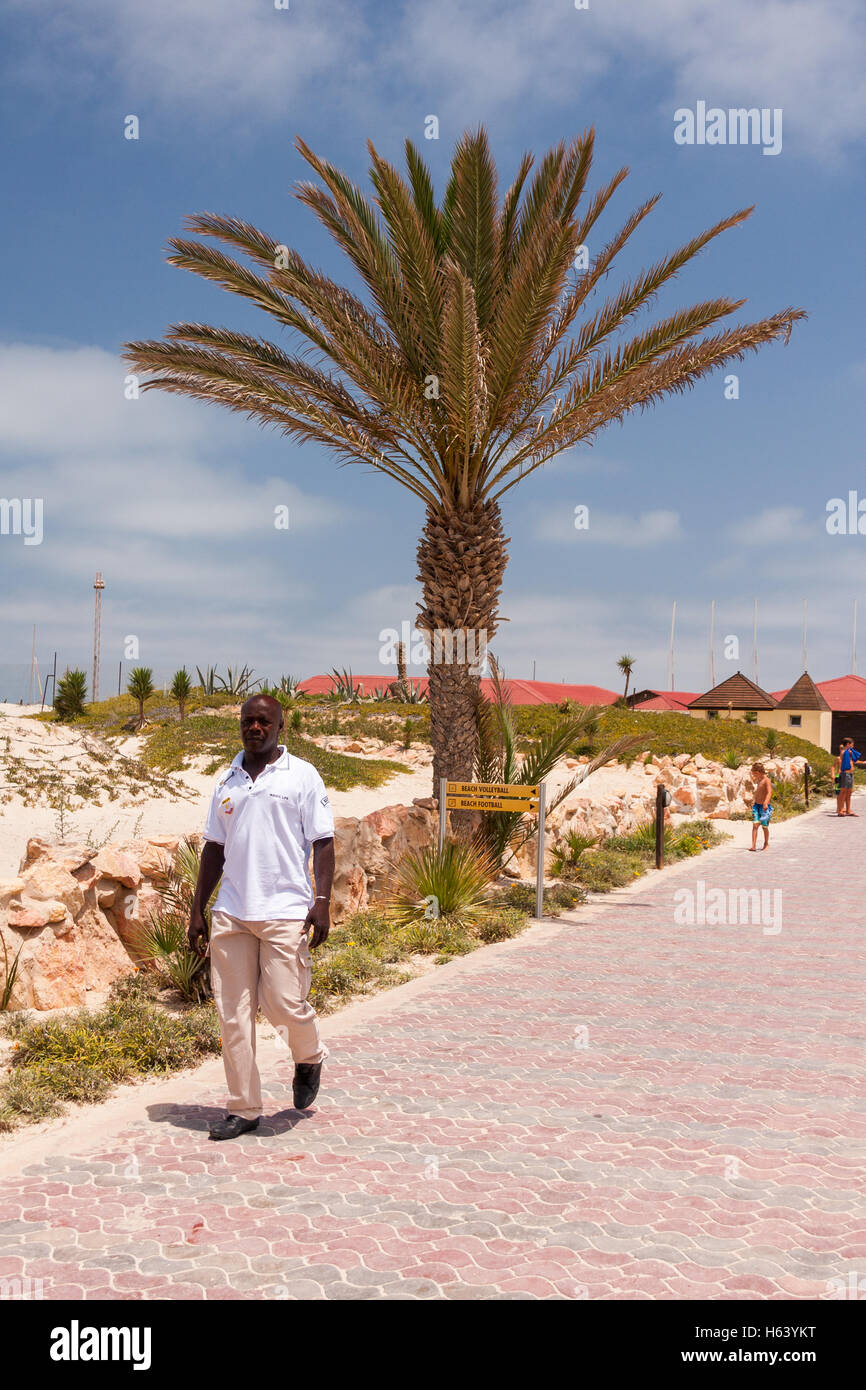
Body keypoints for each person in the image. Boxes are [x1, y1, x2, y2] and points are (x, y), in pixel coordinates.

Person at [189, 694, 335, 1140]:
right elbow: (215, 847)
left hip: (285, 911)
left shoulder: (303, 776)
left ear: (279, 727)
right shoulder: (227, 780)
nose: (254, 727)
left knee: (285, 1004)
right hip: (232, 911)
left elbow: (323, 841)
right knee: (232, 1015)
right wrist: (198, 909)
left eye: (263, 721)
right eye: (248, 721)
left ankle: (309, 1056)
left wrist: (322, 900)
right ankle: (244, 1108)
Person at [835, 737, 864, 816]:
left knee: (849, 792)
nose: (853, 746)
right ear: (848, 744)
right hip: (845, 774)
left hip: (850, 774)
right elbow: (841, 762)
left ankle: (848, 810)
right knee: (843, 792)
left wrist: (863, 762)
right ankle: (840, 810)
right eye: (852, 744)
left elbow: (853, 761)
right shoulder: (844, 752)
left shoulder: (850, 752)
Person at [749, 762, 772, 851]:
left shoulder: (767, 780)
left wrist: (766, 803)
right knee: (755, 825)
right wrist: (753, 801)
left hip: (764, 807)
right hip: (756, 806)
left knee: (764, 826)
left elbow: (769, 792)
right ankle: (753, 845)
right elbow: (758, 792)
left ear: (758, 772)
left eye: (754, 773)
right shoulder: (758, 780)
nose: (754, 775)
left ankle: (766, 843)